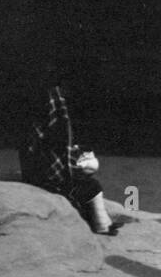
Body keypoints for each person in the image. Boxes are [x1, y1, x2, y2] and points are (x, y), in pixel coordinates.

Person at [19, 63, 120, 235]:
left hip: (36, 173)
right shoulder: (54, 104)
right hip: (48, 180)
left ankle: (104, 223)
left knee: (86, 184)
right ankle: (102, 225)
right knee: (91, 186)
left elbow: (41, 145)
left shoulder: (42, 111)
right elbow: (57, 146)